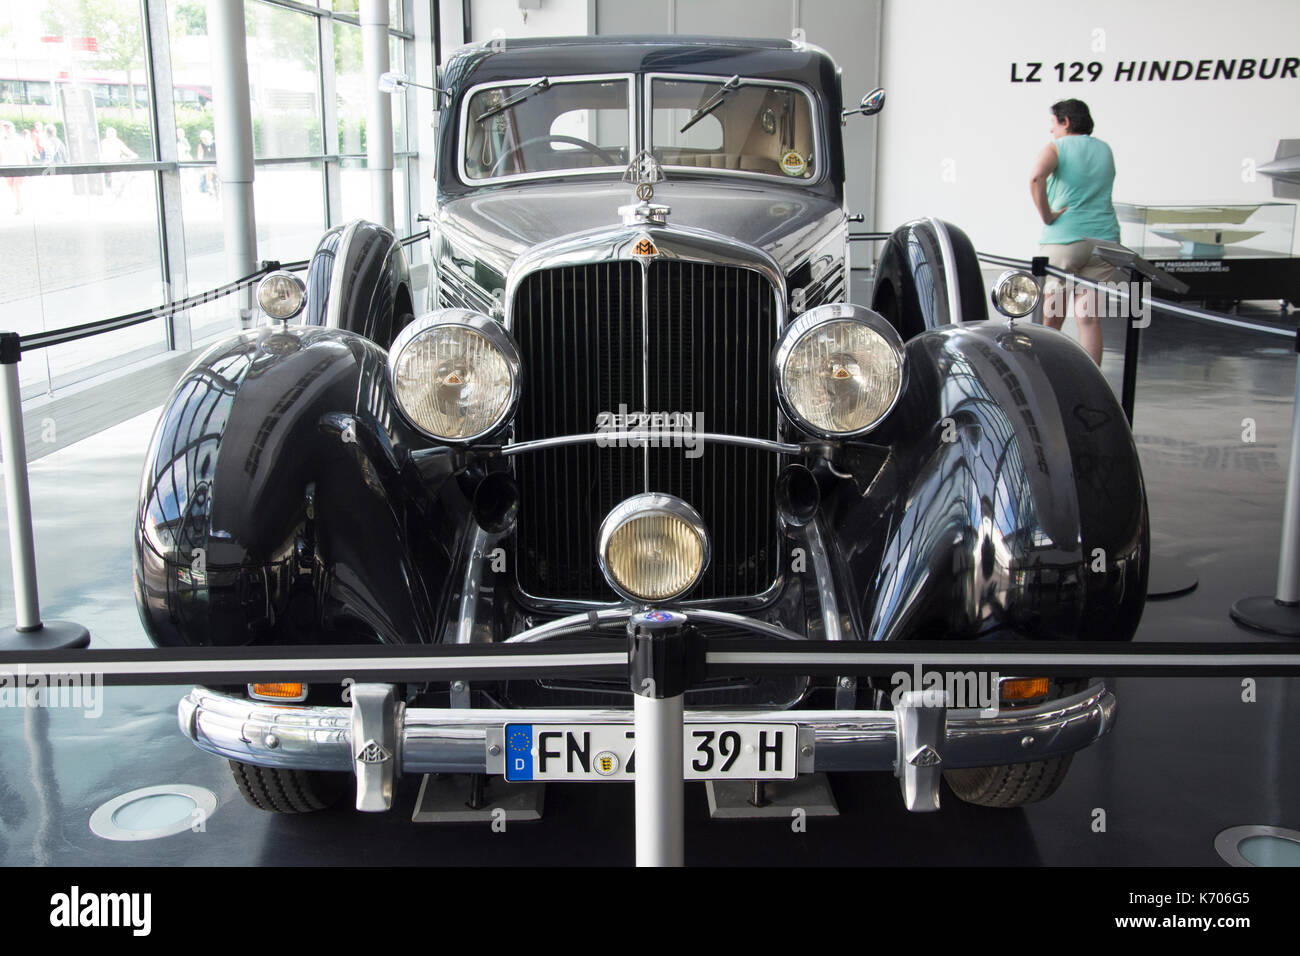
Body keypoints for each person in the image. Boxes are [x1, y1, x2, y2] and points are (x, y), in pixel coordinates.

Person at [1029, 98, 1121, 366]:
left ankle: (1046, 373)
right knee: (1089, 318)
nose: (1051, 130)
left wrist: (1047, 215)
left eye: (1054, 123)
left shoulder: (1056, 147)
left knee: (1052, 316)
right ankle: (1093, 384)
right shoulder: (1105, 149)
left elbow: (1036, 177)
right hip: (1104, 241)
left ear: (1066, 121)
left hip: (1064, 240)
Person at [0, 120, 29, 214]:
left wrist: (28, 165)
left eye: (8, 128)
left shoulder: (19, 139)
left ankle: (19, 206)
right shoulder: (2, 140)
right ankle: (20, 202)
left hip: (19, 165)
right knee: (11, 186)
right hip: (7, 165)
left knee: (17, 185)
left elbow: (26, 152)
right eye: (5, 128)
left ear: (12, 129)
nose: (6, 130)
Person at [100, 127, 138, 196]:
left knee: (123, 177)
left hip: (118, 162)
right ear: (107, 134)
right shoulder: (104, 143)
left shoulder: (117, 141)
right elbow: (106, 154)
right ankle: (115, 192)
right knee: (117, 177)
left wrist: (133, 154)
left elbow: (125, 149)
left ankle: (120, 191)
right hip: (109, 163)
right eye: (109, 134)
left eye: (113, 134)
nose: (111, 135)